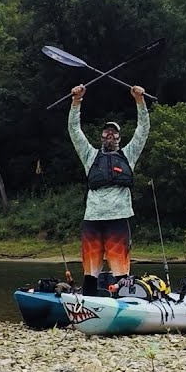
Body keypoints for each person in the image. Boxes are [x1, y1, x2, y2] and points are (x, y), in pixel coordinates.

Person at [68, 83, 149, 296]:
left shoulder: (128, 155)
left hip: (119, 217)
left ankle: (125, 301)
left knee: (120, 266)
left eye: (114, 132)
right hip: (93, 217)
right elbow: (74, 131)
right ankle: (88, 301)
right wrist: (76, 101)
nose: (110, 135)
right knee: (90, 268)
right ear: (101, 136)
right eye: (106, 132)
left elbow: (143, 131)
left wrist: (139, 101)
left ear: (119, 138)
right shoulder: (89, 156)